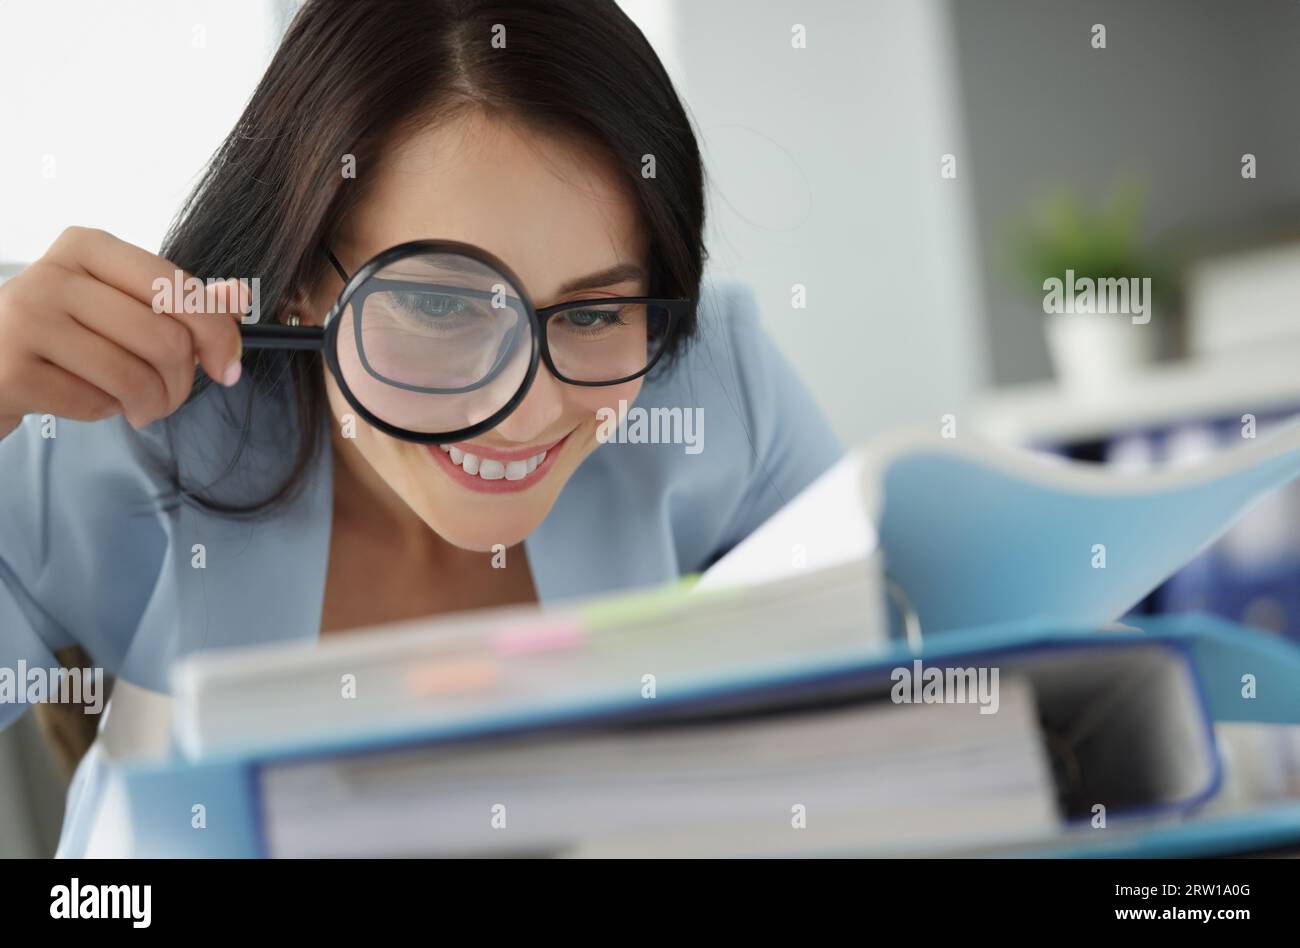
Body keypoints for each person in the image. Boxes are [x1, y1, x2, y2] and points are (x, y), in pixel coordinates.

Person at [0, 0, 840, 856]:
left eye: (593, 312)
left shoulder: (703, 379)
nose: (529, 410)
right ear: (300, 280)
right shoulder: (126, 428)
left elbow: (924, 693)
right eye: (441, 302)